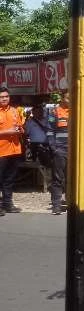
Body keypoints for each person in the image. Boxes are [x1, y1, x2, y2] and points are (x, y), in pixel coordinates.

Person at [0, 87, 25, 215]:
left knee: (9, 179)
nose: (4, 98)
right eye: (1, 97)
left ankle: (8, 204)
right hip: (1, 151)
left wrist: (20, 130)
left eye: (6, 96)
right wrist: (7, 132)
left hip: (14, 150)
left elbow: (20, 127)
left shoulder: (15, 111)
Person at [49, 94, 69, 216]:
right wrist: (53, 147)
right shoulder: (55, 112)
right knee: (58, 178)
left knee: (74, 178)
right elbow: (50, 130)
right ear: (62, 99)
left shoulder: (79, 110)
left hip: (75, 151)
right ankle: (56, 205)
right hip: (60, 150)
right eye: (68, 98)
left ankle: (72, 203)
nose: (70, 100)